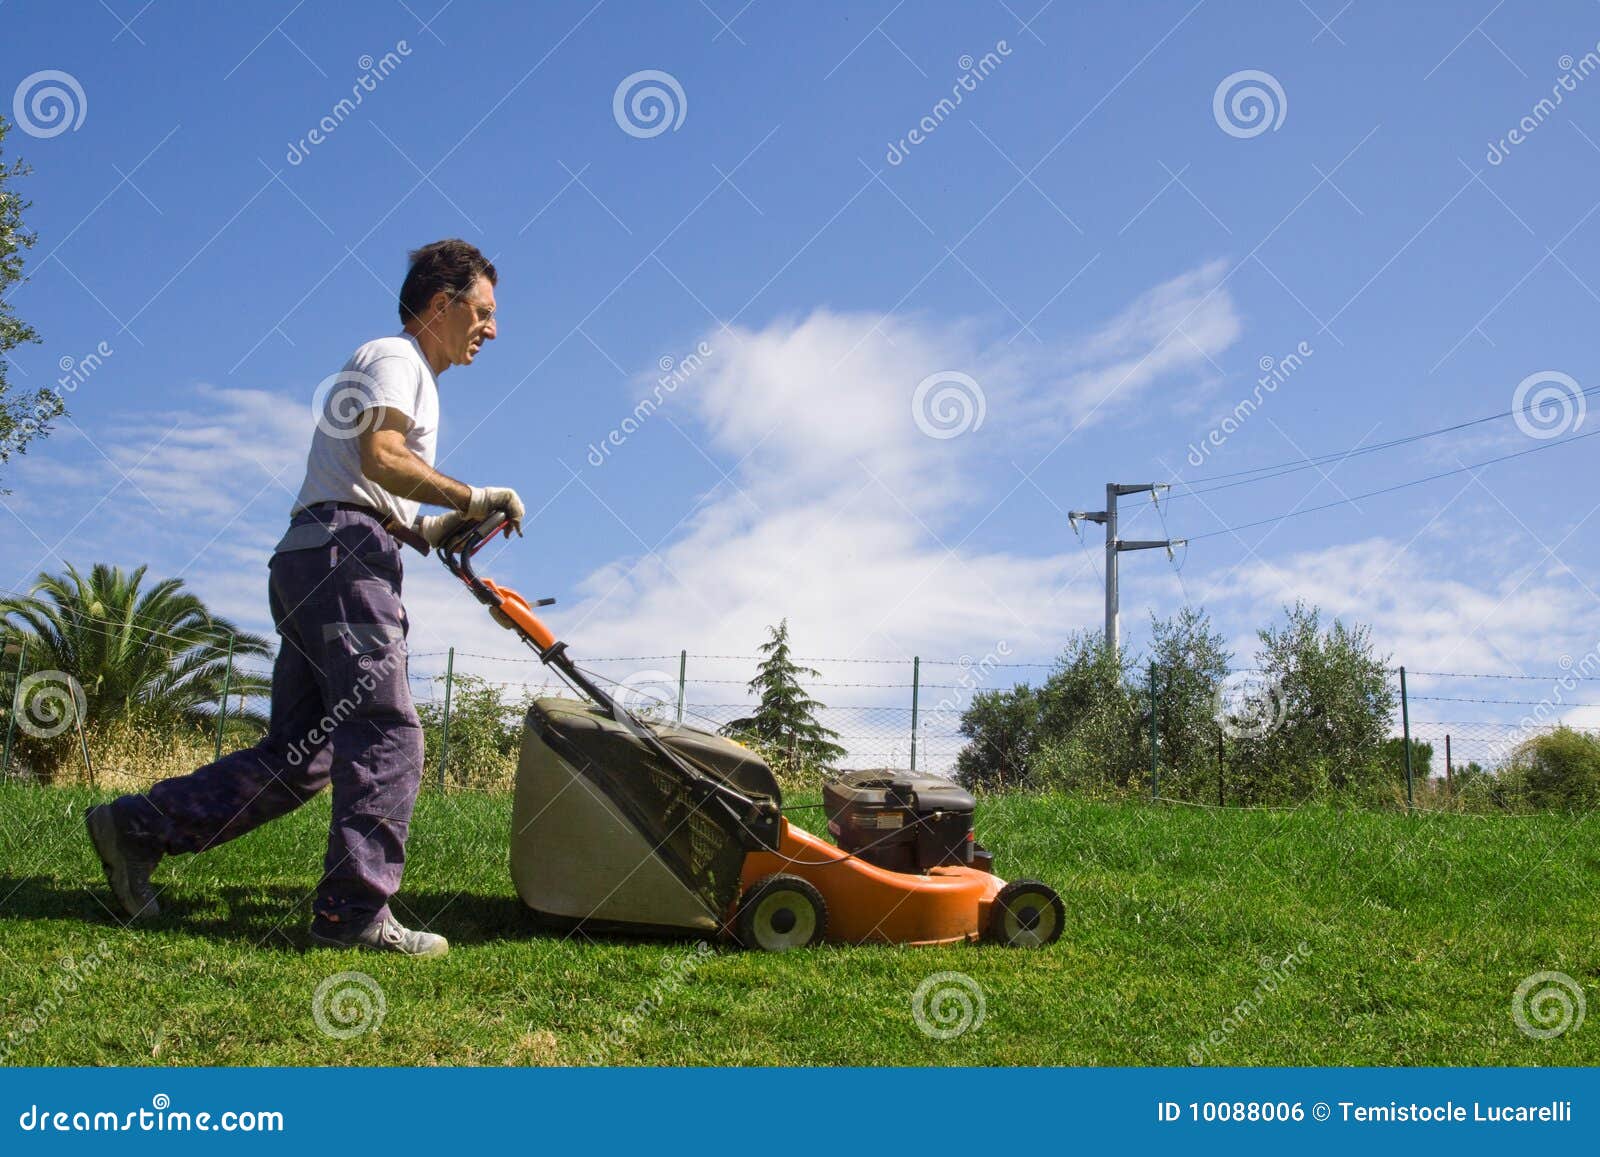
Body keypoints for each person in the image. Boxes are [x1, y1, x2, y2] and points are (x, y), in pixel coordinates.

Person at [85, 239, 524, 957]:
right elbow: (381, 458)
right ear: (441, 305)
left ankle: (135, 827)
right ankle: (351, 917)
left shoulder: (410, 375)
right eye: (482, 311)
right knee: (388, 732)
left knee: (301, 753)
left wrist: (456, 521)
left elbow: (396, 507)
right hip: (342, 560)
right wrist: (473, 492)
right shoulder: (396, 358)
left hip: (321, 552)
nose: (493, 329)